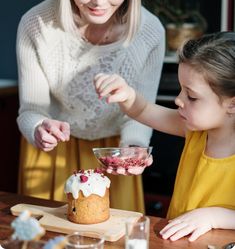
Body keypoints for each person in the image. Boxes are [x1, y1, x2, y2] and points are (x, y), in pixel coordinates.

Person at [16, 0, 165, 212]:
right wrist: (38, 127)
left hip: (116, 153)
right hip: (53, 152)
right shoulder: (36, 24)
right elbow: (31, 111)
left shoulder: (150, 32)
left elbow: (141, 111)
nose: (99, 0)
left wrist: (134, 147)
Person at [94, 31, 235, 241]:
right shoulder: (195, 131)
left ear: (232, 103)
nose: (178, 99)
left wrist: (214, 216)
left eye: (192, 96)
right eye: (181, 90)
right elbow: (143, 111)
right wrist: (126, 95)